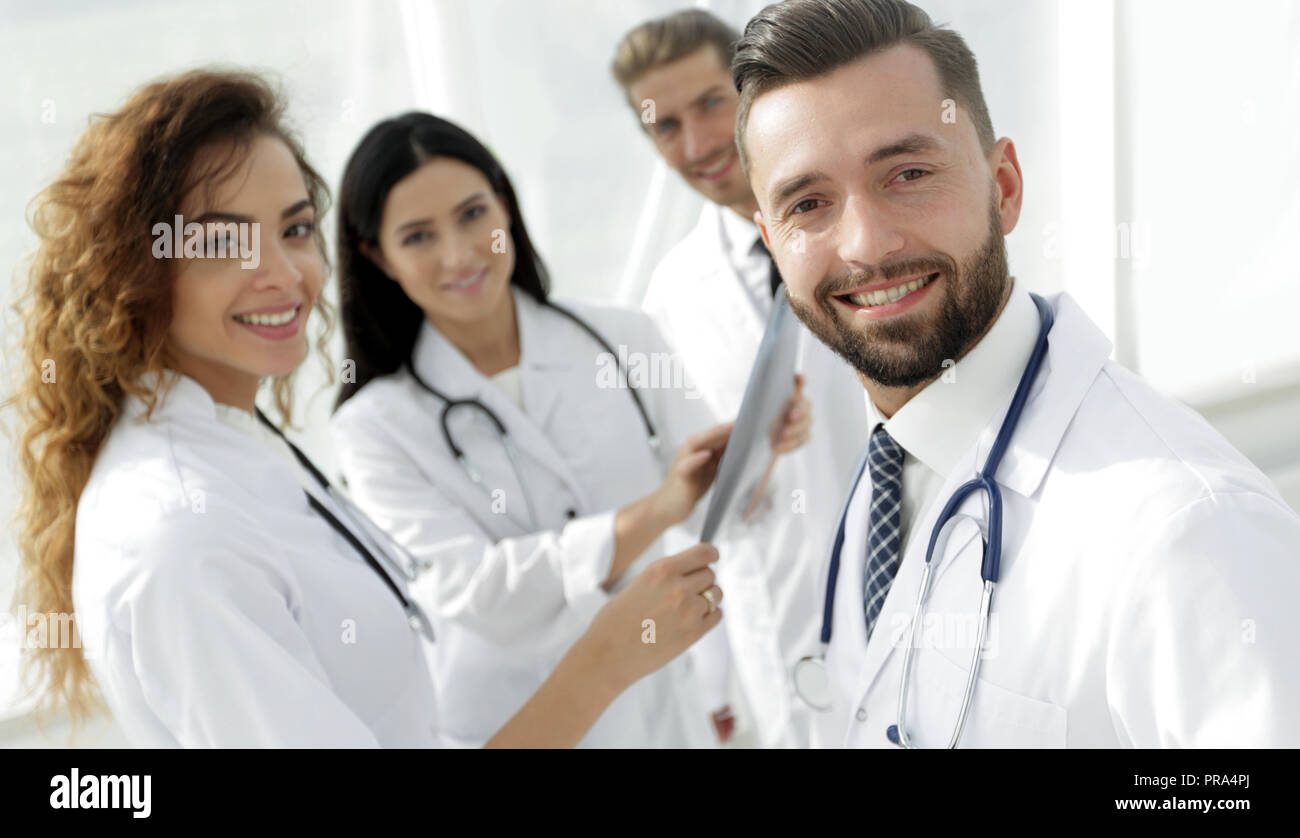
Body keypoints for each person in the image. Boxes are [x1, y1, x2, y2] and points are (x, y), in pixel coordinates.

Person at [9, 69, 723, 747]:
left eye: (292, 229)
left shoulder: (238, 441)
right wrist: (605, 659)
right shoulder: (185, 535)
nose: (285, 275)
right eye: (226, 242)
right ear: (136, 266)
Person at [734, 0, 1300, 747]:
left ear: (1004, 187)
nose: (867, 245)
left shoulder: (1186, 528)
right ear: (772, 242)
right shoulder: (885, 471)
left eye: (907, 173)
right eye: (809, 203)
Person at [328, 112, 810, 747]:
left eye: (473, 214)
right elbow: (476, 592)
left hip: (660, 712)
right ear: (377, 257)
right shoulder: (375, 427)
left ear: (504, 205)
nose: (458, 254)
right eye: (418, 236)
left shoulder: (621, 338)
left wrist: (759, 450)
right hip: (514, 721)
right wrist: (658, 508)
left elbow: (725, 515)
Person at [611, 9, 868, 747]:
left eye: (710, 104)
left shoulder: (866, 227)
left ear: (753, 90)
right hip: (784, 643)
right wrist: (745, 459)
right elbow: (691, 516)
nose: (693, 144)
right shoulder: (670, 299)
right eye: (663, 126)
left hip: (919, 587)